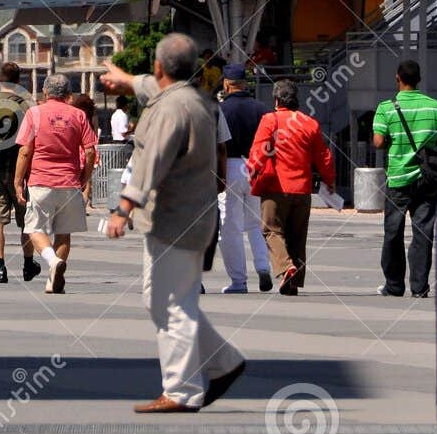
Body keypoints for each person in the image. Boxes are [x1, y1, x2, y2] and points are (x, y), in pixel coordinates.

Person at [102, 33, 246, 413]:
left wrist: (122, 209)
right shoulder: (193, 99)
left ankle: (182, 390)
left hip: (175, 221)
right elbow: (153, 88)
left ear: (160, 66)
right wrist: (126, 79)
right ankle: (223, 361)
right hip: (193, 218)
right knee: (160, 298)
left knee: (171, 304)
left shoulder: (169, 111)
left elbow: (151, 163)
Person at [245, 79, 335, 296]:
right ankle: (292, 283)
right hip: (302, 190)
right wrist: (329, 180)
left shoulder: (270, 120)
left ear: (276, 100)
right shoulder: (309, 123)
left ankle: (286, 267)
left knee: (271, 231)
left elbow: (259, 151)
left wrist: (252, 171)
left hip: (275, 187)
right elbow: (323, 157)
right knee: (297, 237)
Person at [372, 59, 437, 299]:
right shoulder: (434, 106)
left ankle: (394, 284)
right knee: (423, 232)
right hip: (426, 179)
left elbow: (377, 142)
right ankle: (419, 287)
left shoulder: (386, 108)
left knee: (393, 231)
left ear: (398, 77)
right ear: (419, 79)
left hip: (398, 178)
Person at [15, 74, 97, 293]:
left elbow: (25, 151)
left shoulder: (34, 113)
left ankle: (52, 262)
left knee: (33, 228)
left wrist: (17, 181)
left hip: (41, 180)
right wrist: (85, 178)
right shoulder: (78, 115)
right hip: (69, 181)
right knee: (64, 232)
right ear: (68, 94)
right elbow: (90, 152)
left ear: (45, 92)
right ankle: (53, 282)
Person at [217, 64, 272, 294]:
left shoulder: (220, 109)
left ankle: (239, 280)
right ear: (245, 83)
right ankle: (263, 266)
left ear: (226, 84)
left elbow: (217, 145)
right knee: (256, 222)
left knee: (230, 226)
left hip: (228, 166)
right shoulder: (260, 108)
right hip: (255, 166)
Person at [0, 62, 37, 283]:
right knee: (26, 221)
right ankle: (27, 264)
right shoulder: (26, 105)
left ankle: (0, 268)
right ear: (18, 80)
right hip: (19, 171)